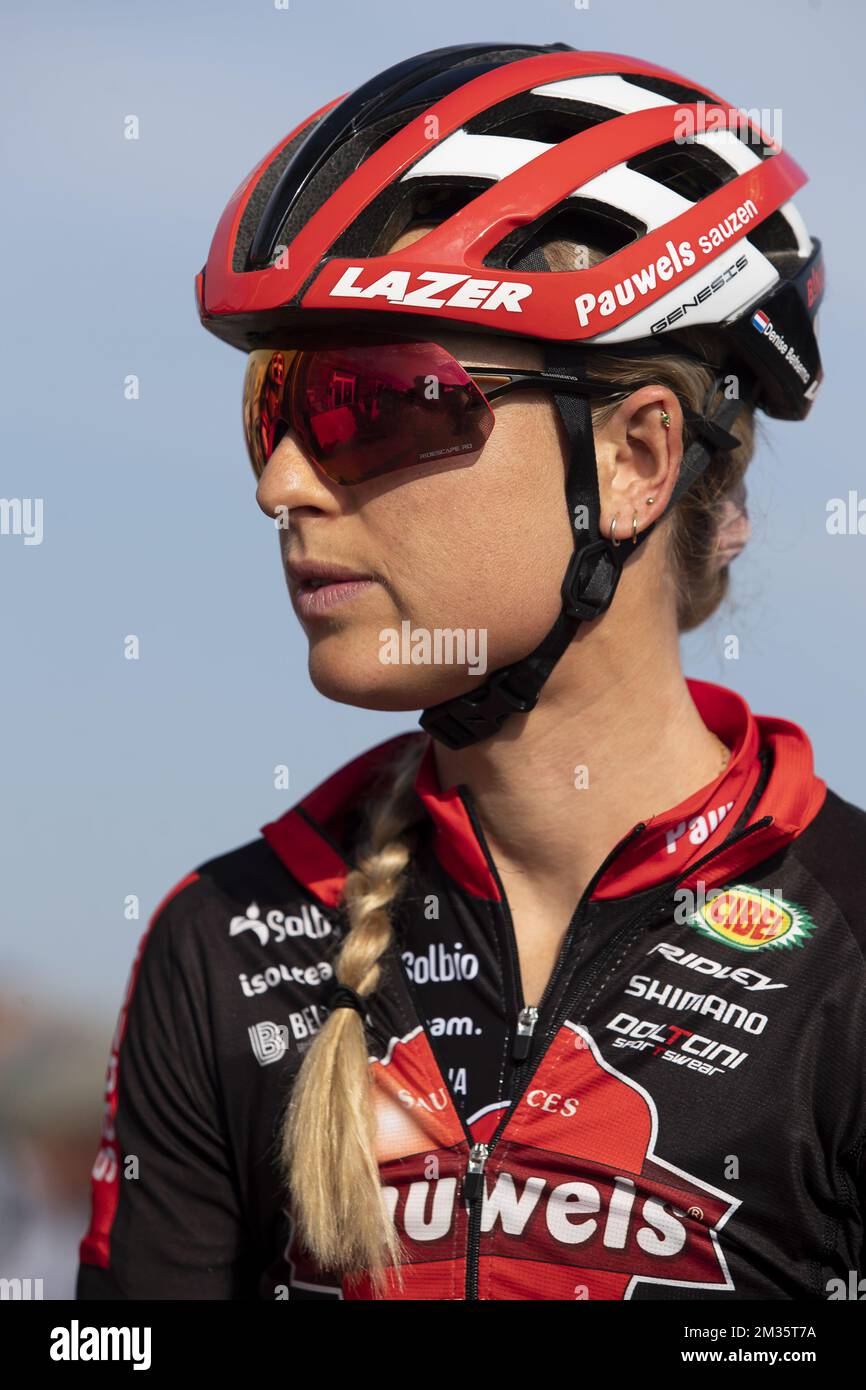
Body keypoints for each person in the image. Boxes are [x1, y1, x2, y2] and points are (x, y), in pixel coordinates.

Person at [77, 41, 866, 1303]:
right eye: (270, 409)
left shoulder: (846, 949)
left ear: (632, 459)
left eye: (368, 403)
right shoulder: (226, 941)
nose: (284, 481)